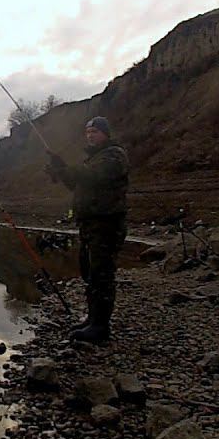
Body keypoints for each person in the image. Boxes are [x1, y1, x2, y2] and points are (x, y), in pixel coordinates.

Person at [44, 116, 129, 345]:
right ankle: (92, 319)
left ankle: (100, 328)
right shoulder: (93, 159)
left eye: (95, 131)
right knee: (89, 273)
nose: (90, 135)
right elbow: (75, 183)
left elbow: (92, 177)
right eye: (88, 132)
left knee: (102, 275)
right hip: (90, 225)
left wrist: (65, 168)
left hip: (107, 225)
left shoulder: (114, 155)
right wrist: (60, 169)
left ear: (106, 134)